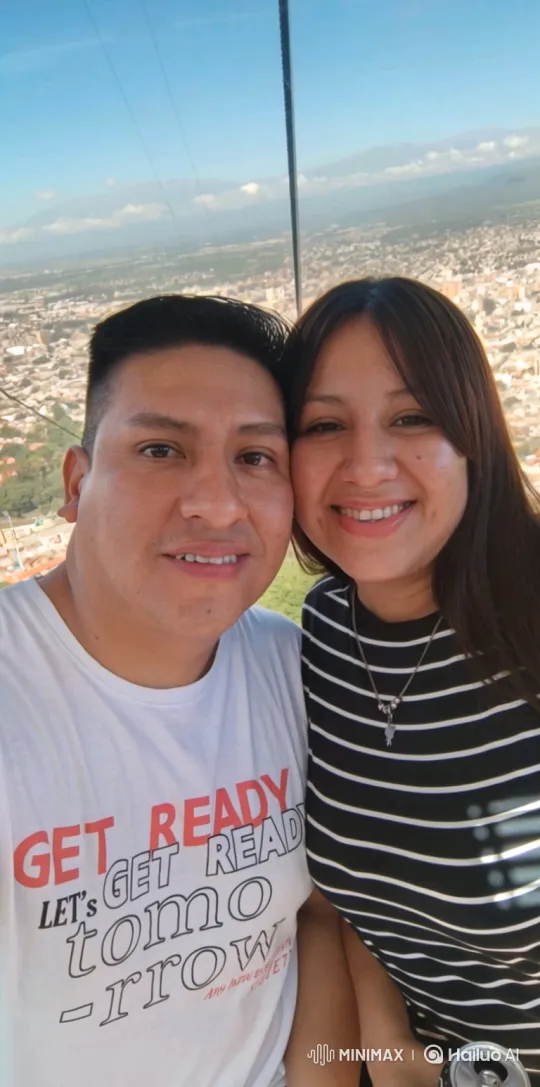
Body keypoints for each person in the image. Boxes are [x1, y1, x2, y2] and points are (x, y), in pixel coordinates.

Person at [0, 295, 357, 1087]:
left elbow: (316, 915)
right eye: (161, 449)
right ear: (75, 481)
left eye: (256, 458)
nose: (217, 503)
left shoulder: (291, 665)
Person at [286, 277, 540, 1086]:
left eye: (412, 416)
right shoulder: (322, 633)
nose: (366, 464)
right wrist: (395, 1062)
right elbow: (353, 905)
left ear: (473, 434)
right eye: (324, 425)